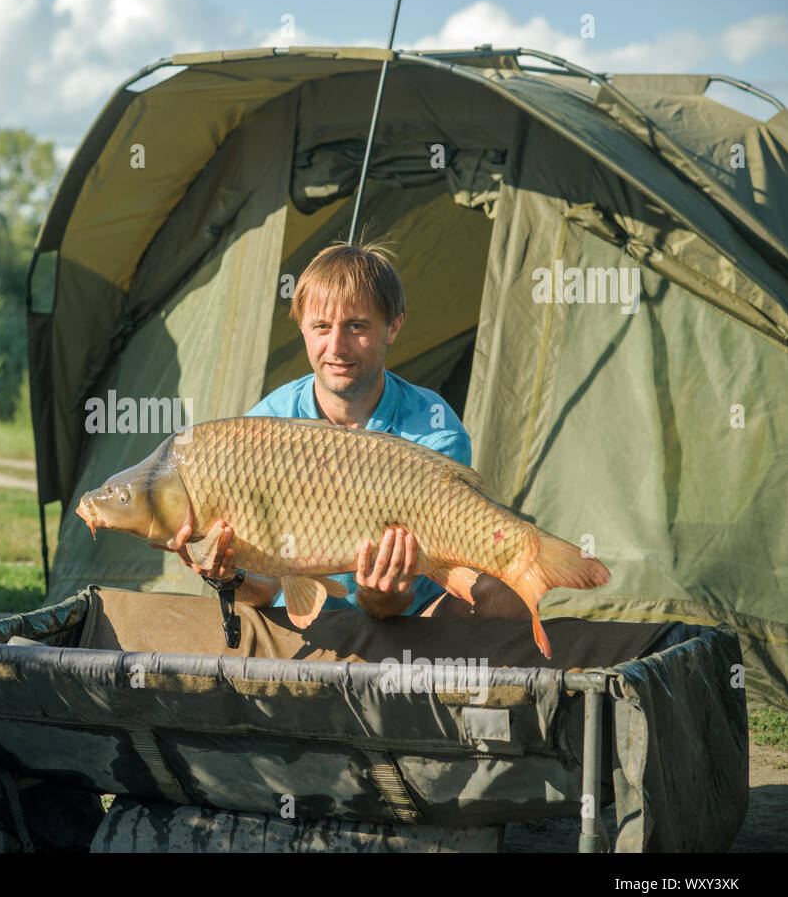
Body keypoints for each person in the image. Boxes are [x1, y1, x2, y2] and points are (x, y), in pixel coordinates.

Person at [154, 240, 525, 621]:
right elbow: (263, 592)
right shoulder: (262, 429)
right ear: (302, 328)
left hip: (412, 622)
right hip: (297, 624)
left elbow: (394, 604)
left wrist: (379, 593)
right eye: (321, 327)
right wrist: (229, 576)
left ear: (393, 326)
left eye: (356, 327)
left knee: (501, 595)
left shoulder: (434, 430)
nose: (336, 346)